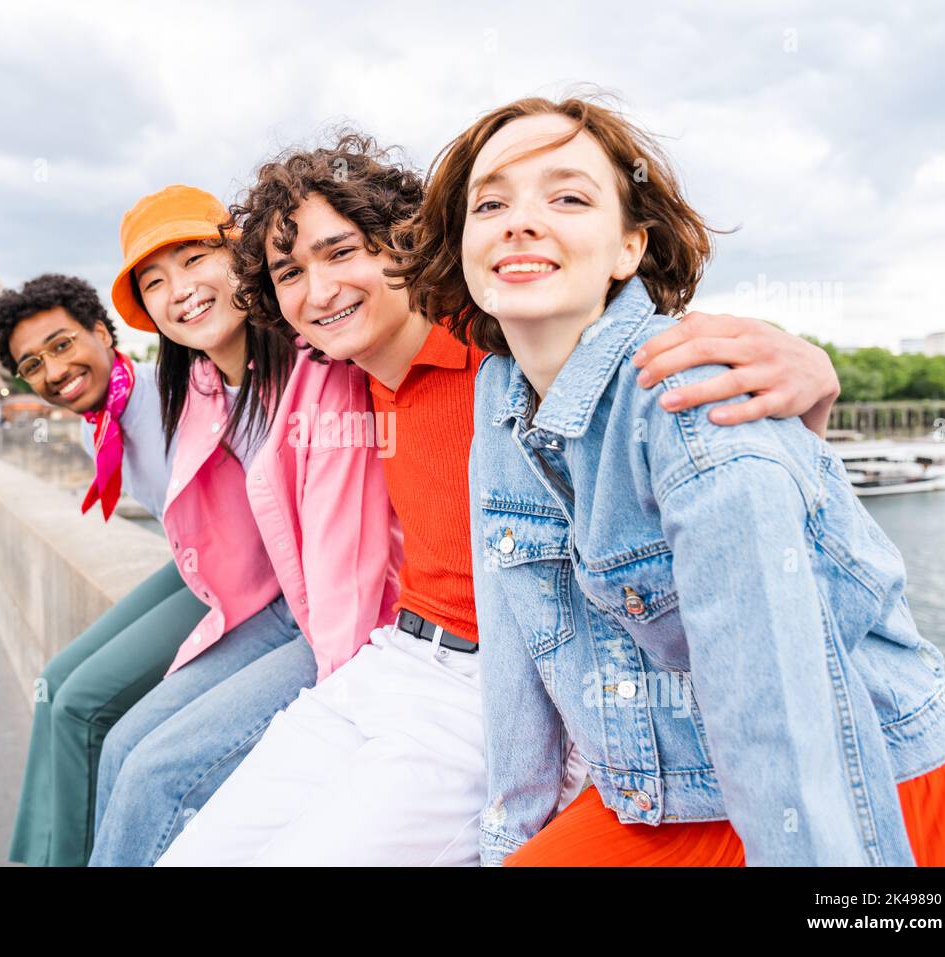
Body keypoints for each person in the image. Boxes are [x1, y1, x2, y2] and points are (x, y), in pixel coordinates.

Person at [155, 133, 842, 866]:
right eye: (290, 272)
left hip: (497, 695)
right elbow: (227, 358)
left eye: (342, 251)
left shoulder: (499, 346)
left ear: (402, 245)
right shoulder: (337, 372)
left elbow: (623, 347)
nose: (319, 291)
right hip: (389, 663)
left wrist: (810, 370)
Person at [402, 94, 945, 865]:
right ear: (464, 246)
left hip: (863, 791)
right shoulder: (500, 407)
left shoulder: (689, 401)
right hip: (661, 790)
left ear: (628, 248)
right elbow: (516, 677)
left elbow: (780, 716)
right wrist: (508, 844)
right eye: (491, 203)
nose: (520, 221)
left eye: (569, 197)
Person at [0, 187, 399, 868]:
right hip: (261, 592)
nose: (53, 372)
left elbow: (328, 561)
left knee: (140, 759)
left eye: (193, 259)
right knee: (98, 721)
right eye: (155, 282)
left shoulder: (313, 366)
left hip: (321, 614)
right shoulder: (201, 383)